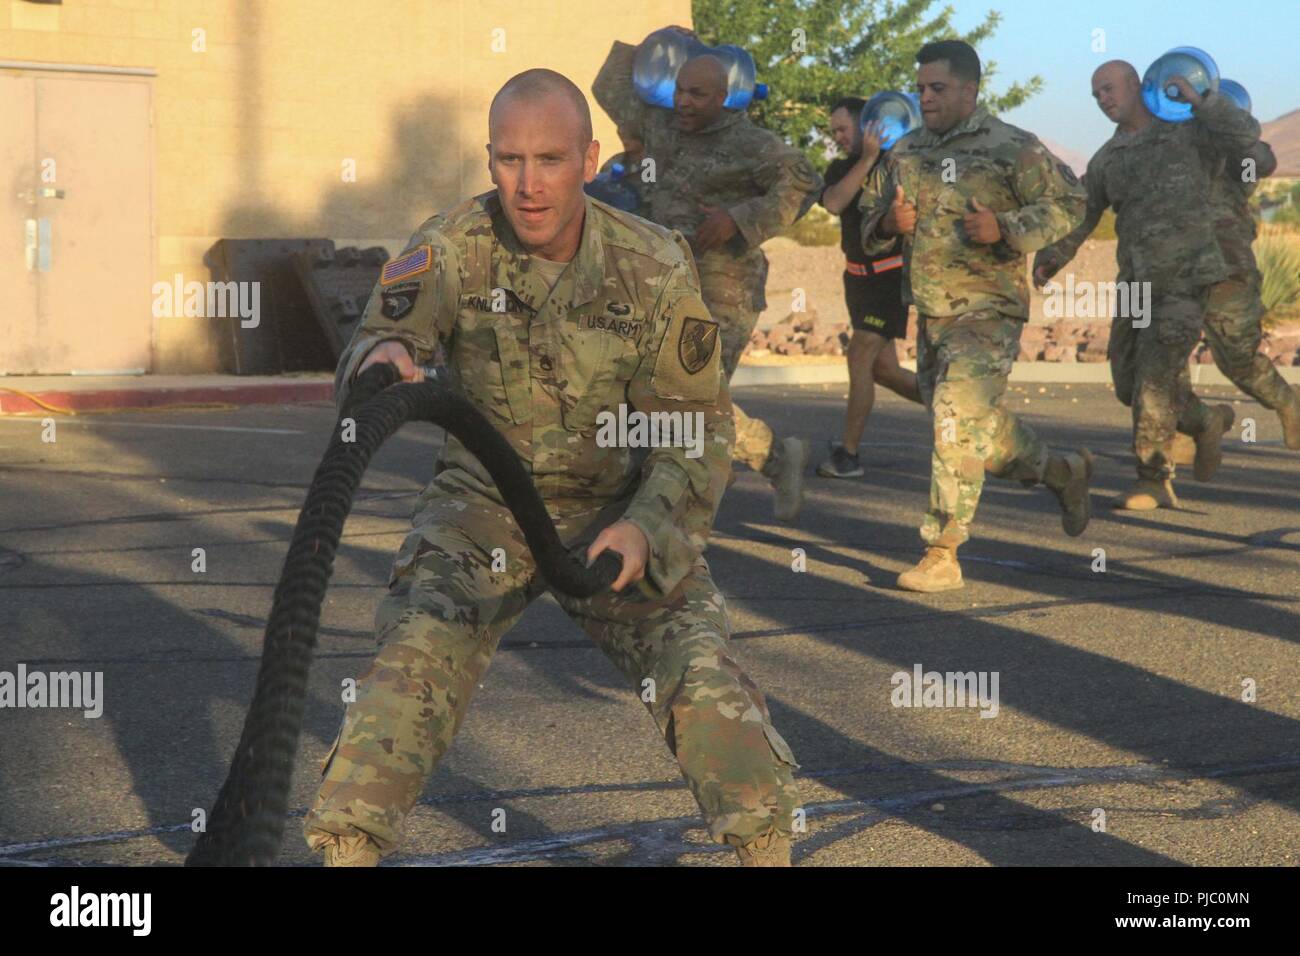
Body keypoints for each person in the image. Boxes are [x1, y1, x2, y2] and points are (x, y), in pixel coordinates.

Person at [303, 69, 800, 867]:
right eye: (509, 160)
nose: (529, 186)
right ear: (490, 159)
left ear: (591, 158)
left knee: (701, 676)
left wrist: (646, 525)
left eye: (551, 161)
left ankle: (767, 850)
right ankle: (348, 851)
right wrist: (383, 355)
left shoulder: (653, 262)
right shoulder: (449, 245)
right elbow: (377, 340)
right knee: (416, 654)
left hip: (618, 511)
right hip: (482, 507)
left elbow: (695, 428)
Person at [859, 40, 1094, 593]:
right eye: (920, 88)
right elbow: (869, 228)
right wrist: (890, 224)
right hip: (932, 314)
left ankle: (941, 550)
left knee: (953, 416)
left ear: (970, 89)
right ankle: (1062, 473)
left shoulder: (1014, 147)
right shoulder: (906, 151)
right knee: (969, 427)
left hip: (989, 311)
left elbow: (1071, 203)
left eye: (937, 88)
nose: (926, 97)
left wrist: (1007, 228)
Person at [594, 30, 824, 521]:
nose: (684, 101)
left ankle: (678, 515)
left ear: (725, 97)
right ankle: (774, 458)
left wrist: (740, 218)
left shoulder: (751, 143)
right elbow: (608, 87)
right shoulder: (660, 127)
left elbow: (804, 183)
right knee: (667, 396)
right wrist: (670, 43)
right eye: (679, 89)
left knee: (696, 396)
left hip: (726, 287)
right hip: (663, 284)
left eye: (697, 94)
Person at [1034, 61, 1267, 510]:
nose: (1102, 99)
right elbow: (1083, 214)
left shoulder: (1189, 132)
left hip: (1186, 280)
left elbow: (1245, 137)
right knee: (1127, 383)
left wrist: (1201, 101)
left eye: (1108, 88)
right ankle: (1205, 419)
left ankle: (1154, 477)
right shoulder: (1107, 158)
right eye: (1095, 94)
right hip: (1136, 286)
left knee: (1156, 379)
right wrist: (1051, 259)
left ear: (1138, 85)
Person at [815, 96, 922, 479]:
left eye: (844, 129)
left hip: (887, 278)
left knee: (859, 354)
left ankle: (848, 455)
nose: (838, 137)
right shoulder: (843, 168)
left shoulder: (897, 168)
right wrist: (862, 160)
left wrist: (874, 157)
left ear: (871, 126)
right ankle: (955, 412)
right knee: (886, 370)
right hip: (856, 280)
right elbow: (833, 202)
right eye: (834, 131)